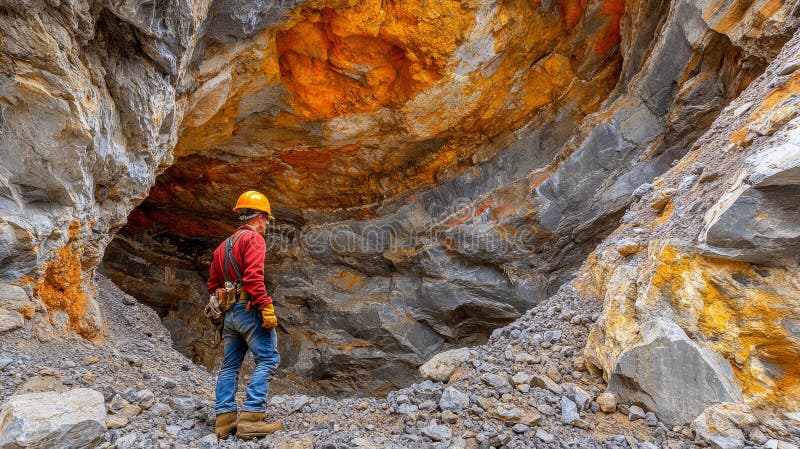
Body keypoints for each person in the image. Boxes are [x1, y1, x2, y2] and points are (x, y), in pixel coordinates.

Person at [208, 190, 282, 439]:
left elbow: (212, 286)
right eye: (266, 220)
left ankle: (224, 420)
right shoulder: (254, 240)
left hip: (229, 315)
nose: (266, 225)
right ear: (260, 217)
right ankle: (251, 417)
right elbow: (253, 279)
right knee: (268, 360)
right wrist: (265, 306)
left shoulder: (221, 247)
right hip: (249, 310)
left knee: (229, 367)